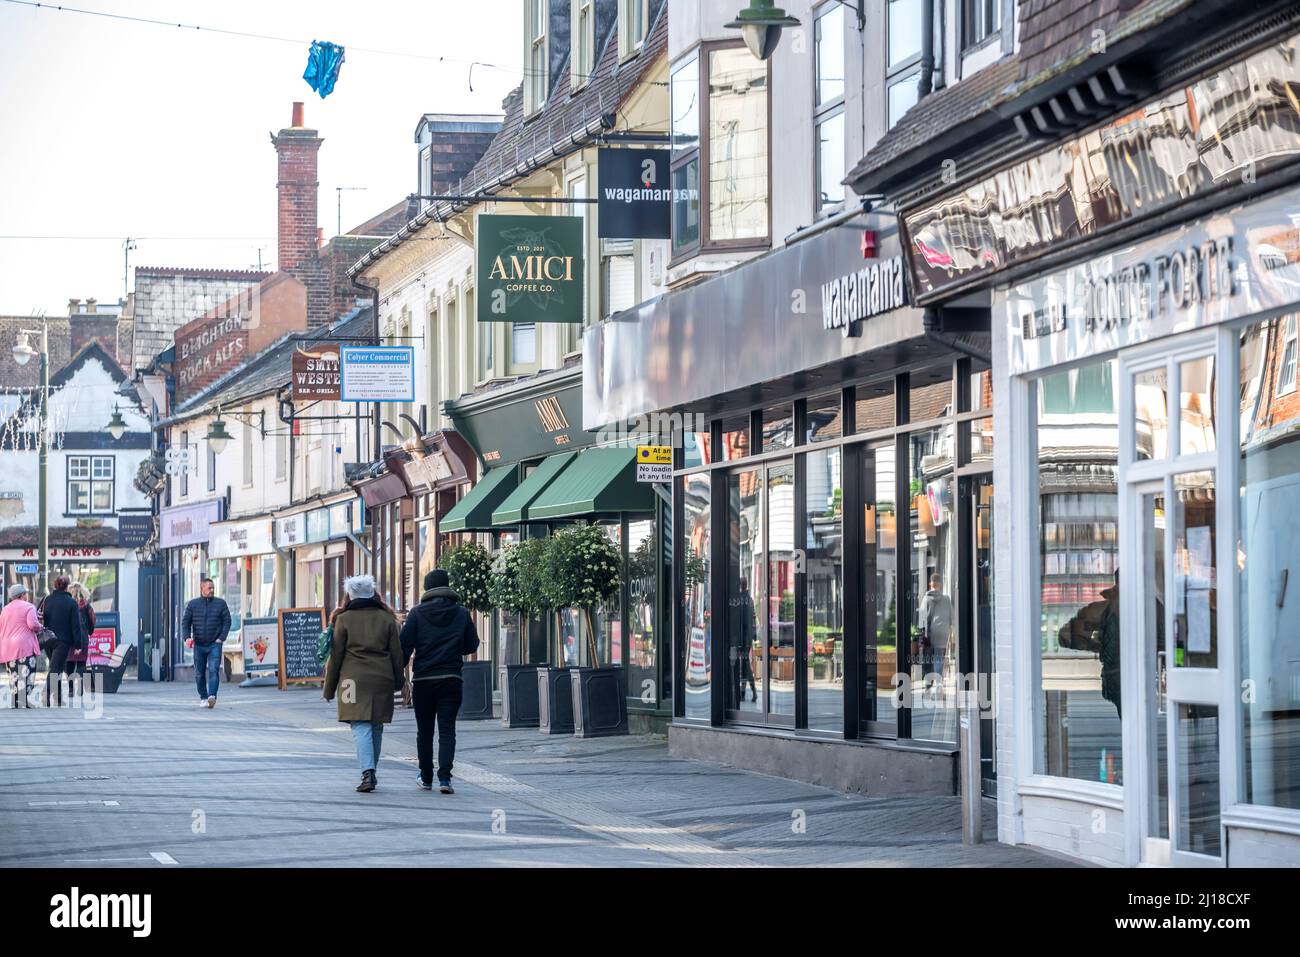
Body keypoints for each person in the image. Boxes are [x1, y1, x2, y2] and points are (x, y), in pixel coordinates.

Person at [400, 569, 480, 794]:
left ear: (427, 589)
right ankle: (445, 779)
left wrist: (399, 671)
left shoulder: (416, 614)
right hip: (451, 679)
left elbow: (404, 645)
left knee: (424, 731)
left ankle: (426, 777)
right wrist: (455, 648)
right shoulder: (461, 613)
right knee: (447, 730)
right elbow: (471, 645)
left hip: (424, 679)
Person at [323, 575, 403, 793]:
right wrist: (399, 682)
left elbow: (336, 657)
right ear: (372, 593)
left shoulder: (343, 619)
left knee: (359, 724)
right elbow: (397, 655)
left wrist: (329, 688)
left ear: (350, 594)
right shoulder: (388, 619)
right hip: (382, 679)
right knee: (375, 725)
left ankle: (368, 772)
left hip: (351, 682)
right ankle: (371, 770)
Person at [181, 577, 232, 708]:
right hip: (198, 644)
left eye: (213, 587)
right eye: (209, 588)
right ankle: (203, 697)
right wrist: (187, 637)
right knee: (199, 673)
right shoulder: (193, 604)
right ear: (202, 588)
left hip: (215, 643)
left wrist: (222, 637)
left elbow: (227, 621)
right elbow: (185, 622)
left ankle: (212, 696)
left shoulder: (220, 604)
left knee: (214, 669)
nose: (212, 590)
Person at [39, 576, 87, 707]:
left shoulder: (47, 599)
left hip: (48, 639)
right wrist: (78, 644)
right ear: (67, 587)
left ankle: (58, 698)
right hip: (63, 640)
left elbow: (39, 614)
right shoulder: (71, 602)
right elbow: (75, 625)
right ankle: (46, 693)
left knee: (57, 667)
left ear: (55, 585)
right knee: (56, 668)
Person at [0, 583, 41, 708]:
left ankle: (15, 699)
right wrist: (41, 626)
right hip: (24, 646)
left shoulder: (5, 609)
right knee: (27, 673)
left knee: (14, 675)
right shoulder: (29, 607)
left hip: (8, 647)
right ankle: (23, 699)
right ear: (22, 594)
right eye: (25, 593)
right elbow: (33, 625)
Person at [917, 573, 953, 677]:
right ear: (940, 585)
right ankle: (938, 681)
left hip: (931, 633)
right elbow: (951, 617)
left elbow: (922, 618)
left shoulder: (926, 599)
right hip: (943, 631)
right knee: (938, 656)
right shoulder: (946, 599)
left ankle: (929, 680)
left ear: (930, 584)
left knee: (928, 657)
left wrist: (922, 632)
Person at [66, 582, 96, 697]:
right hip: (83, 638)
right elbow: (92, 620)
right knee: (82, 663)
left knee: (69, 663)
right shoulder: (87, 606)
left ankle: (70, 689)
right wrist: (89, 631)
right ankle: (80, 687)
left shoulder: (68, 605)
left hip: (70, 639)